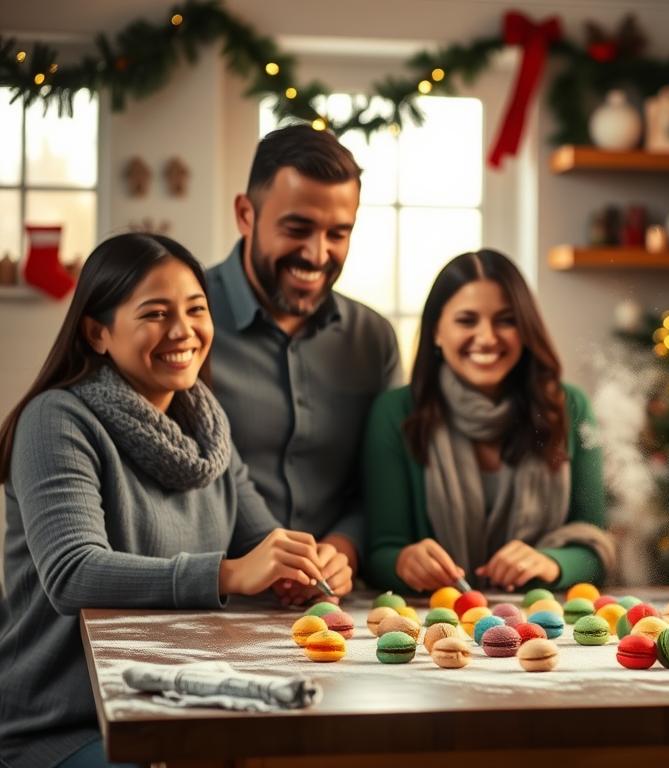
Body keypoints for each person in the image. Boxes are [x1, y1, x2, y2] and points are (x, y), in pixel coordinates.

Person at [0, 234, 347, 768]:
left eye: (196, 309)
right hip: (67, 726)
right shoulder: (55, 420)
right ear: (97, 332)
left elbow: (263, 542)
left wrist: (303, 567)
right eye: (156, 314)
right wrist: (228, 575)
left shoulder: (206, 426)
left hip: (181, 705)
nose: (182, 331)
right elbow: (72, 573)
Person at [205, 124, 401, 601]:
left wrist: (343, 548)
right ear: (245, 215)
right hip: (209, 609)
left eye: (339, 233)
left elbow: (380, 481)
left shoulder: (373, 340)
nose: (318, 254)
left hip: (338, 613)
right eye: (297, 229)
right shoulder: (186, 325)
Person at [363, 249, 612, 593]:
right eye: (467, 320)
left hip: (544, 628)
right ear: (436, 331)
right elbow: (378, 554)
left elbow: (595, 547)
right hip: (436, 626)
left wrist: (553, 562)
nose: (487, 337)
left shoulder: (570, 407)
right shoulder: (395, 412)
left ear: (525, 330)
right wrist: (403, 562)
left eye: (506, 320)